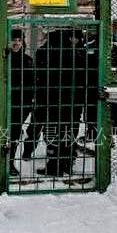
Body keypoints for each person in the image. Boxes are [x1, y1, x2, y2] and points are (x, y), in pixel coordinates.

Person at [32, 28, 86, 177]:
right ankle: (67, 164)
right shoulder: (77, 55)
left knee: (53, 133)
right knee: (69, 133)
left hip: (52, 101)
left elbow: (39, 77)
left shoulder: (46, 54)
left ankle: (53, 167)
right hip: (73, 102)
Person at [7, 29, 34, 176]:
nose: (16, 43)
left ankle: (10, 163)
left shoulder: (28, 59)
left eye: (19, 40)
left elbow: (32, 82)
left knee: (15, 134)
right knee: (2, 132)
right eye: (13, 40)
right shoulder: (3, 59)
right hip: (5, 102)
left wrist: (30, 101)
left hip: (22, 103)